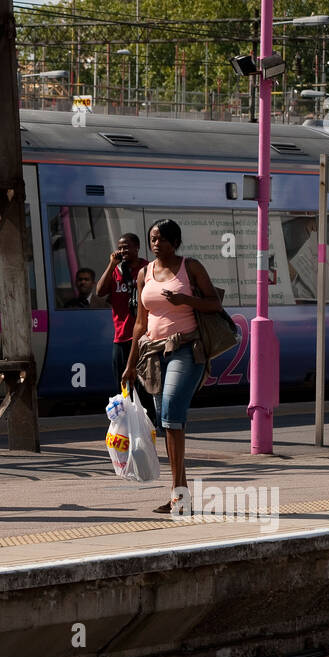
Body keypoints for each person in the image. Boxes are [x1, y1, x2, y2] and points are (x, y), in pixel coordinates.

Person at [122, 218, 222, 514]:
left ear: (174, 242)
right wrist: (129, 365)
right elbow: (140, 322)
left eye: (161, 239)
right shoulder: (144, 274)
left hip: (186, 349)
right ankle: (180, 493)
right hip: (152, 353)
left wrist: (184, 299)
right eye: (152, 238)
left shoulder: (190, 267)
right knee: (166, 423)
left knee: (171, 416)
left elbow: (214, 304)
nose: (155, 244)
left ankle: (180, 494)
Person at [98, 233, 151, 413]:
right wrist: (112, 264)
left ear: (137, 248)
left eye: (126, 247)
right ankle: (128, 422)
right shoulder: (117, 270)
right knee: (123, 385)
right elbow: (99, 291)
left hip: (144, 337)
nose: (122, 251)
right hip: (120, 337)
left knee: (145, 386)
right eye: (120, 247)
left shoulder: (148, 268)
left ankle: (149, 423)